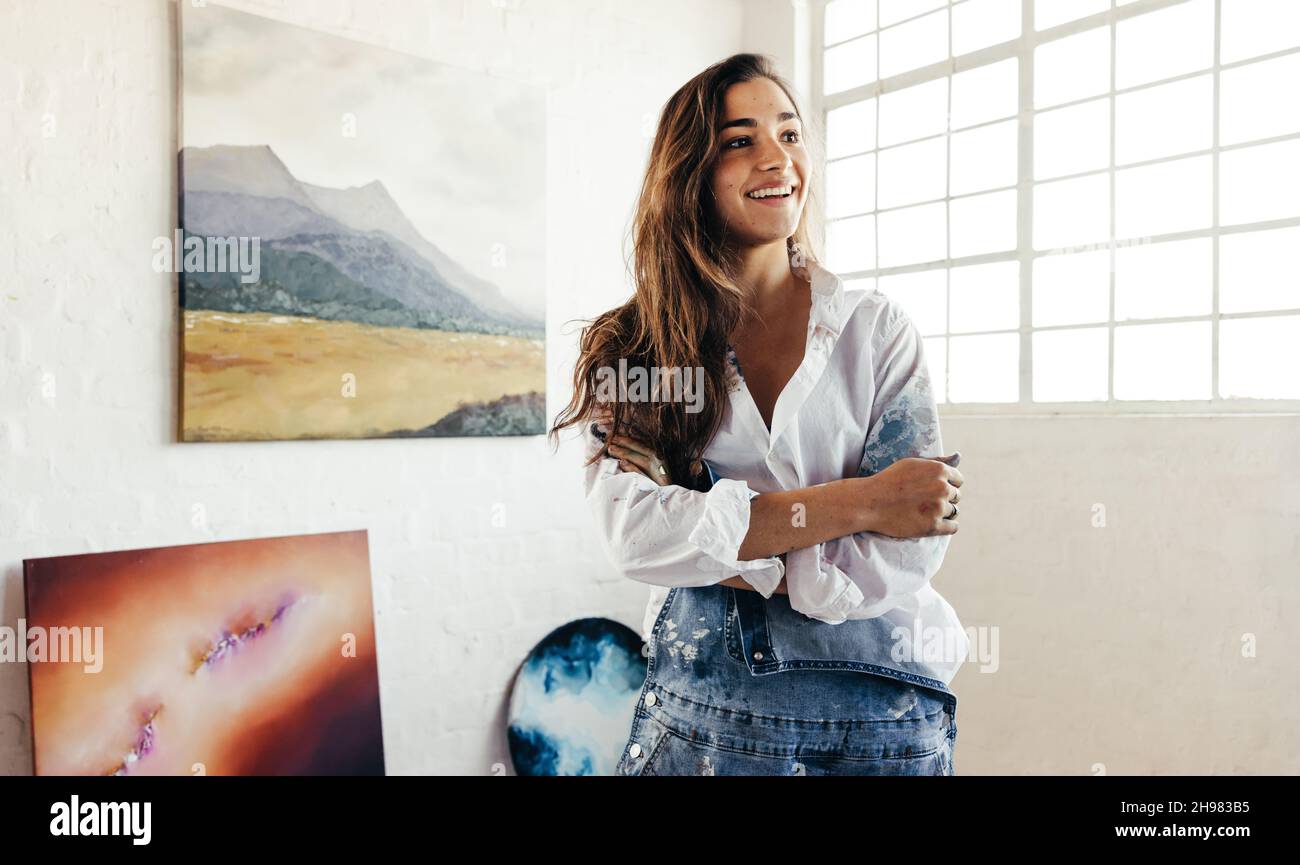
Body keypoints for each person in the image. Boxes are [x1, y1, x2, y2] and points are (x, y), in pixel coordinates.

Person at [549, 53, 969, 776]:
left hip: (887, 727)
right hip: (711, 726)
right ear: (691, 174)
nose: (777, 158)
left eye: (791, 133)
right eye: (740, 140)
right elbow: (637, 536)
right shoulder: (638, 349)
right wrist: (864, 501)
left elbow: (912, 545)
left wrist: (725, 544)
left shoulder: (878, 331)